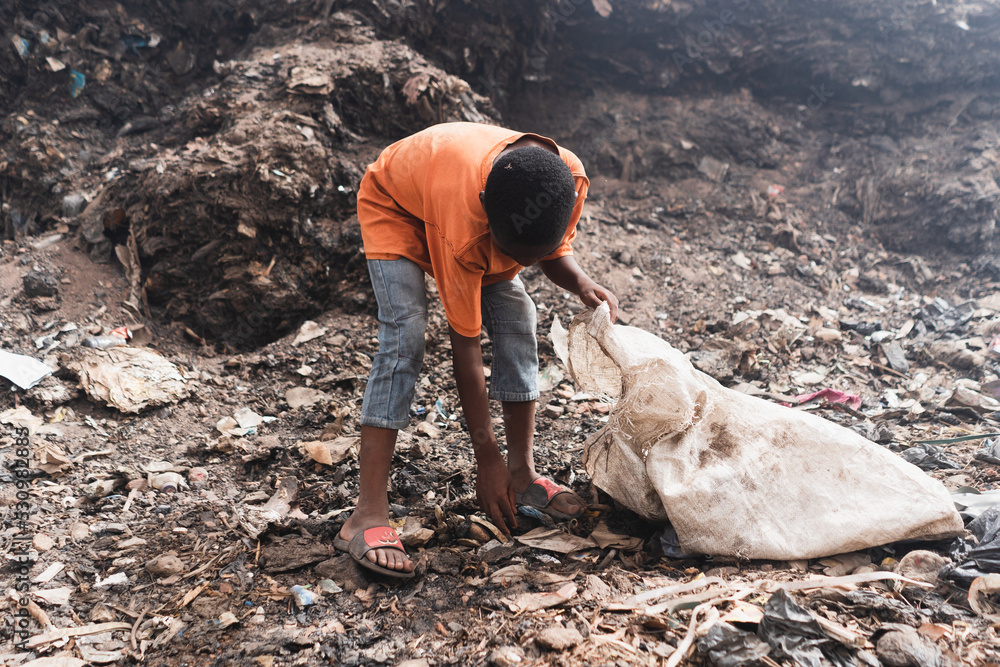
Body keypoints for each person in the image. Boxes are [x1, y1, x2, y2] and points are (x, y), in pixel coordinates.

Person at [334, 122, 619, 578]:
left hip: (463, 210)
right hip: (396, 204)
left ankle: (523, 475)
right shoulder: (465, 227)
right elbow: (465, 351)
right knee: (404, 339)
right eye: (511, 253)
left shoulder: (566, 179)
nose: (517, 267)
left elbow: (552, 250)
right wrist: (486, 456)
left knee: (519, 316)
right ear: (488, 213)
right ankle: (366, 513)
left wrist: (579, 279)